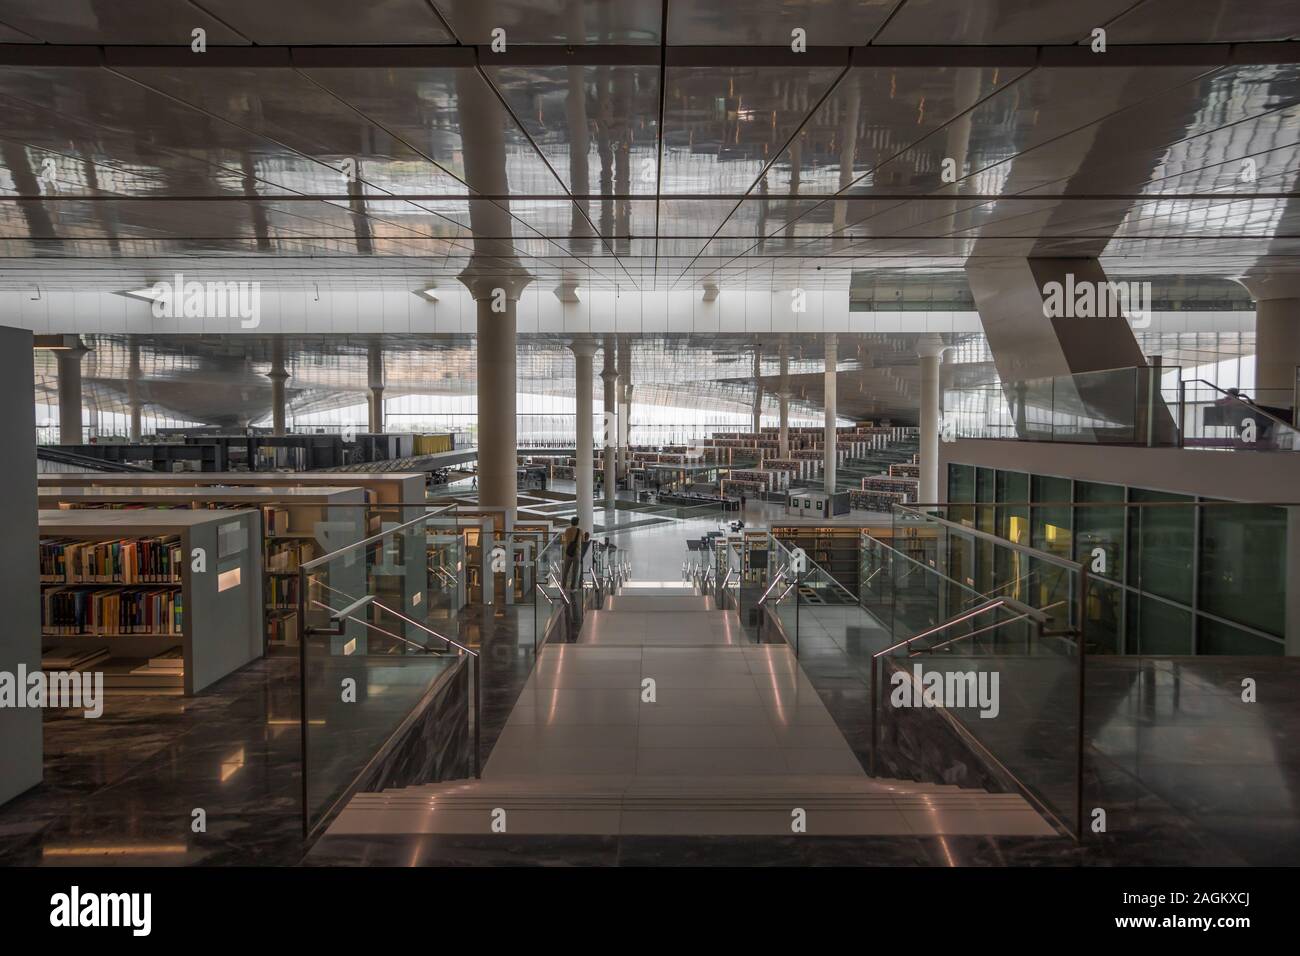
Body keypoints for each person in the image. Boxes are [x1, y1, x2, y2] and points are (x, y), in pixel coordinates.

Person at [560, 517, 581, 589]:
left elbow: (564, 539)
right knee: (575, 571)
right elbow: (583, 540)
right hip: (576, 553)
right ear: (577, 523)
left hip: (568, 552)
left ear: (571, 522)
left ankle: (563, 586)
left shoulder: (567, 530)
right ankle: (573, 587)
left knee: (565, 571)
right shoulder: (580, 531)